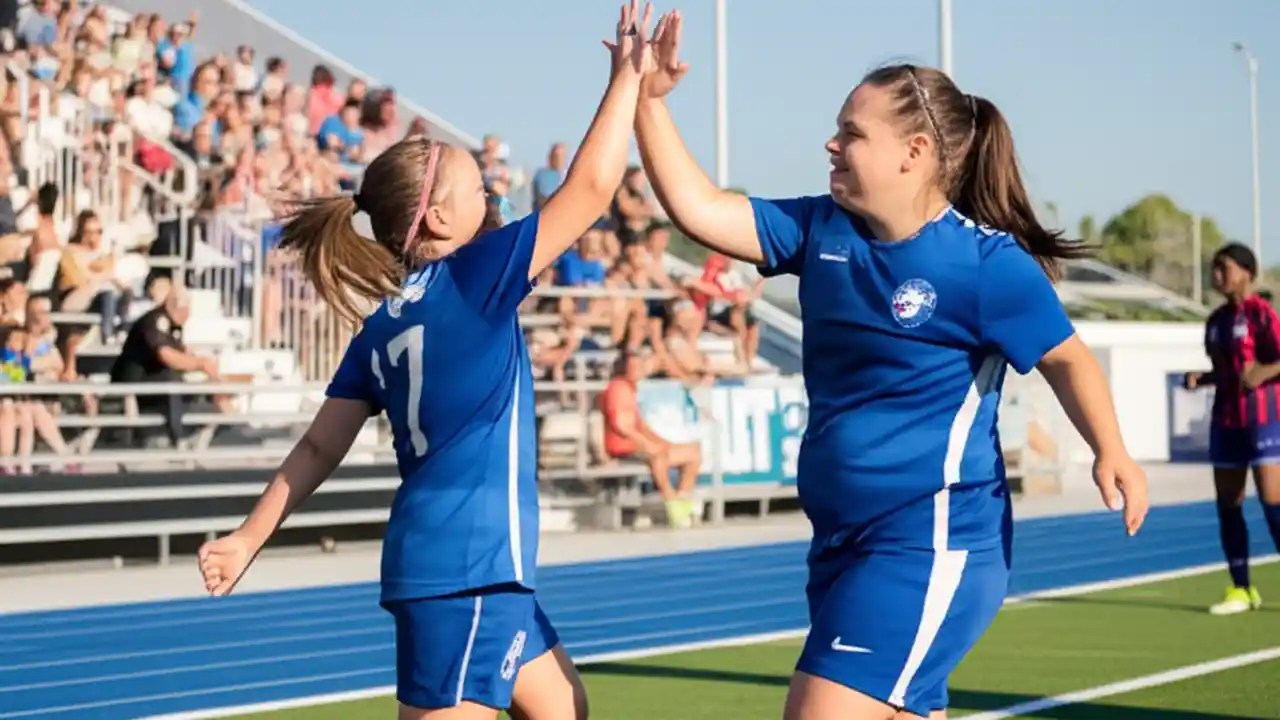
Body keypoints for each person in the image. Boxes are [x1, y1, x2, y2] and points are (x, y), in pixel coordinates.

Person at [631, 14, 1150, 720]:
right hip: (841, 543)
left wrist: (1111, 449)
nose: (831, 142)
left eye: (851, 132)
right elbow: (698, 209)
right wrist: (648, 98)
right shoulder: (820, 227)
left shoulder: (984, 265)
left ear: (913, 152)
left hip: (931, 544)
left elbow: (1067, 357)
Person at [195, 4, 654, 719]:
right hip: (469, 570)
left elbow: (320, 443)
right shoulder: (475, 275)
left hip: (449, 563)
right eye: (481, 188)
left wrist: (249, 538)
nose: (495, 193)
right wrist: (628, 79)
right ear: (440, 219)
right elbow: (592, 189)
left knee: (563, 705)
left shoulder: (381, 325)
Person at [1184, 243, 1280, 616]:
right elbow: (1230, 374)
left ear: (1246, 271)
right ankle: (1241, 588)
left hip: (1264, 421)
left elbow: (1269, 363)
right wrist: (1203, 378)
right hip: (1226, 421)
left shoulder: (1263, 314)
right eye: (1214, 268)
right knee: (1229, 506)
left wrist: (1263, 371)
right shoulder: (1216, 321)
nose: (1217, 274)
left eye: (1224, 267)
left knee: (1274, 506)